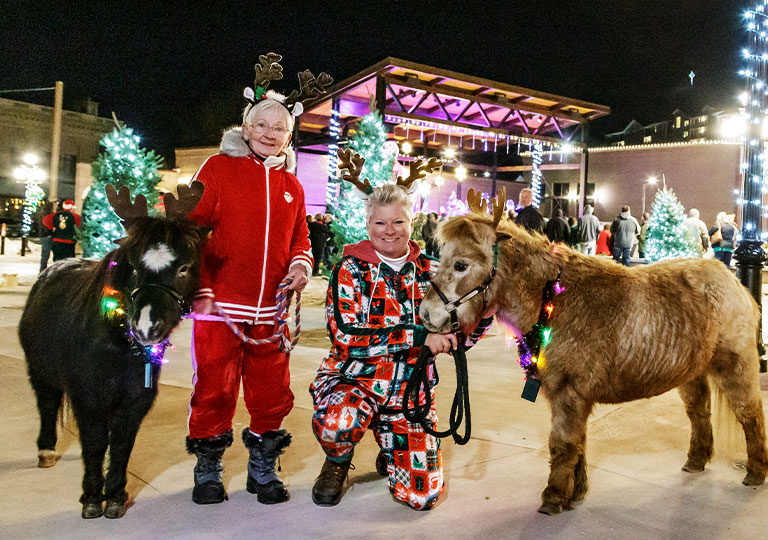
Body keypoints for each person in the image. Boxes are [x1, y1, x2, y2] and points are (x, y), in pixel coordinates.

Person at [184, 56, 323, 507]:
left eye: (278, 128)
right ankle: (208, 469)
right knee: (214, 390)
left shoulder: (292, 184)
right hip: (219, 308)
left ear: (288, 134)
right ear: (246, 128)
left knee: (271, 395)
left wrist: (301, 265)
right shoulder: (217, 170)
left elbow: (300, 236)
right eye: (261, 124)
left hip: (272, 312)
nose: (269, 133)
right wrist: (200, 287)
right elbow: (193, 233)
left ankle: (262, 470)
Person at [309, 182, 493, 510]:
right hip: (355, 382)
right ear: (368, 226)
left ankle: (392, 447)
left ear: (412, 223)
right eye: (380, 222)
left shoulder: (433, 274)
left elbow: (457, 337)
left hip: (410, 391)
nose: (389, 231)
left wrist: (483, 315)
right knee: (340, 422)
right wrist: (418, 336)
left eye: (398, 222)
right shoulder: (349, 270)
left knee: (424, 497)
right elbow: (347, 336)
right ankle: (338, 457)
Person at [36, 200, 55, 272]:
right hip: (47, 235)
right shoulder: (48, 214)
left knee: (45, 255)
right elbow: (46, 226)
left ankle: (42, 270)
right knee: (47, 254)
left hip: (43, 235)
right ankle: (44, 270)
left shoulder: (42, 213)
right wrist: (51, 232)